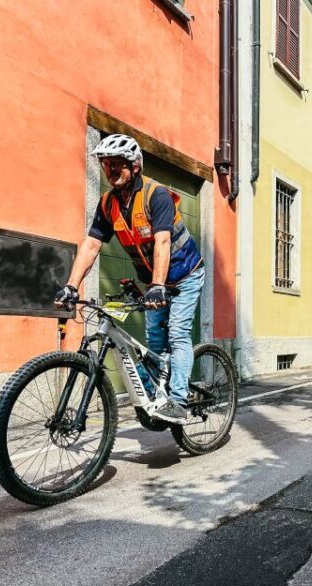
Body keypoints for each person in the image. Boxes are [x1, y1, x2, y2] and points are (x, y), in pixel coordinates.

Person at [54, 134, 203, 423]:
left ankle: (179, 401)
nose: (110, 171)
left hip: (185, 275)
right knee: (155, 343)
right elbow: (91, 245)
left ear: (135, 166)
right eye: (106, 165)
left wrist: (158, 285)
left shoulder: (155, 195)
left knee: (177, 333)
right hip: (155, 282)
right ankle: (155, 400)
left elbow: (162, 241)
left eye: (117, 165)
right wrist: (72, 285)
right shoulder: (108, 204)